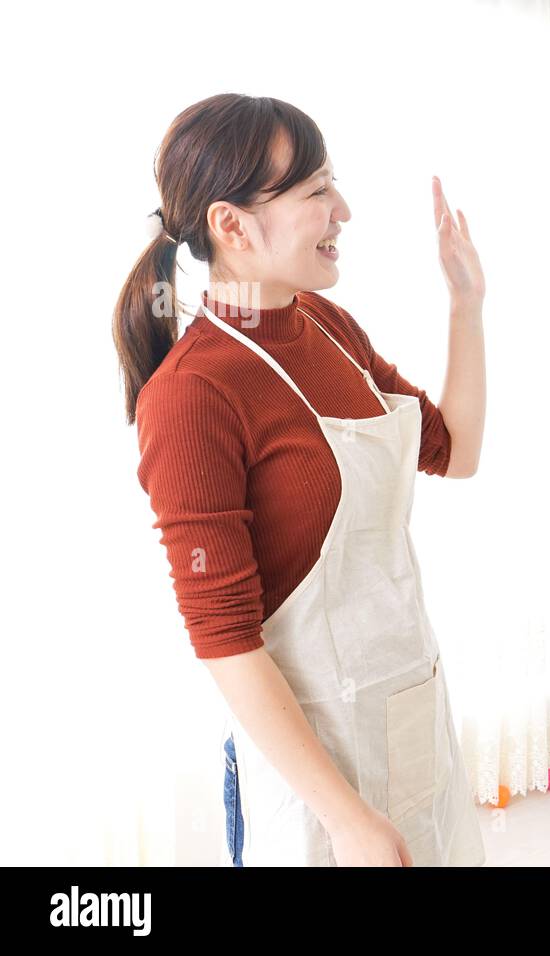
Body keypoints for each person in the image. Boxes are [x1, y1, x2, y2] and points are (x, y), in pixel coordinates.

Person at [113, 93, 487, 866]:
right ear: (232, 225)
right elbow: (223, 638)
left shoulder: (326, 324)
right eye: (316, 191)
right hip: (311, 787)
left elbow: (453, 450)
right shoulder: (192, 395)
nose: (342, 209)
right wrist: (347, 820)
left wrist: (466, 303)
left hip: (411, 718)